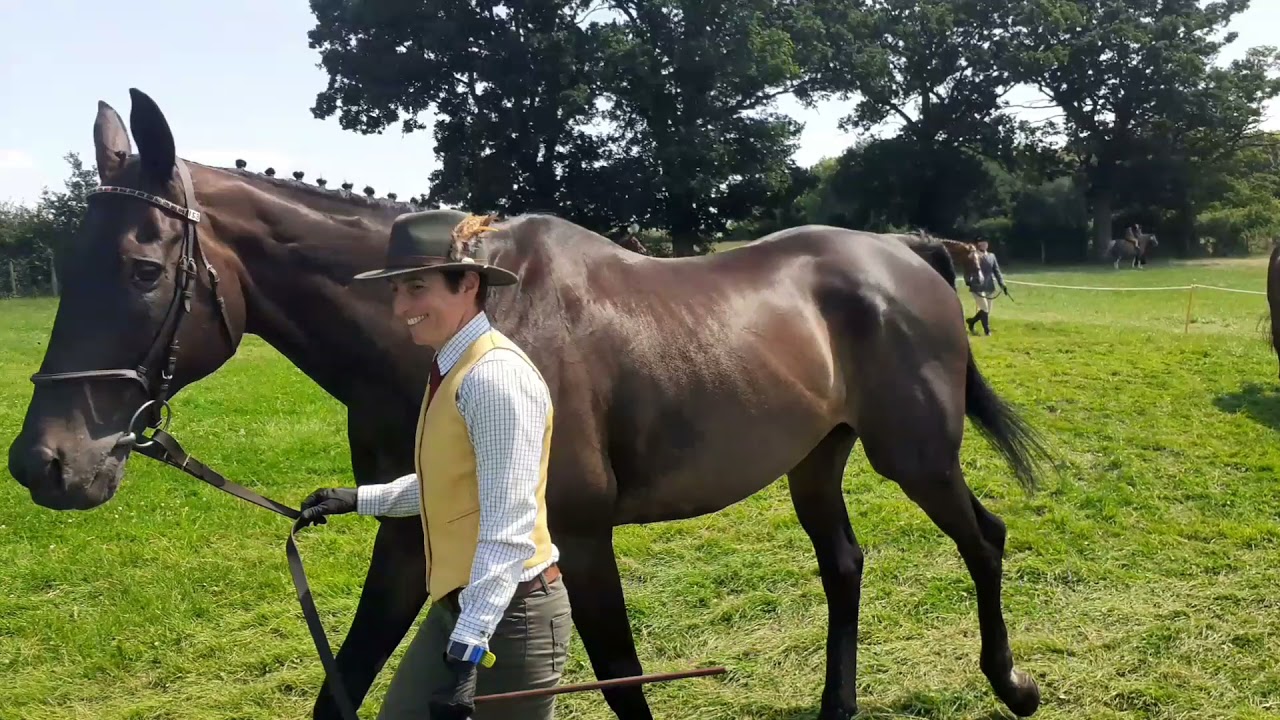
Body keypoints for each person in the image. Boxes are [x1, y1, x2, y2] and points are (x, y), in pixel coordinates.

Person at [298, 209, 570, 720]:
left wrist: (466, 654)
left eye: (417, 287)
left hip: (510, 618)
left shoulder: (494, 379)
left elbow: (509, 529)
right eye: (397, 290)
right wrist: (358, 499)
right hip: (459, 607)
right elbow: (453, 483)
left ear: (467, 283)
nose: (401, 306)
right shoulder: (451, 365)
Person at [966, 240, 1008, 336]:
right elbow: (967, 269)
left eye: (986, 243)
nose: (985, 245)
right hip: (977, 285)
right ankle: (987, 330)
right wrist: (967, 280)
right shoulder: (974, 255)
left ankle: (972, 321)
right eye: (982, 243)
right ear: (978, 244)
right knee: (984, 308)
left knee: (987, 310)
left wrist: (1002, 284)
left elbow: (996, 271)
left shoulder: (991, 256)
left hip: (989, 285)